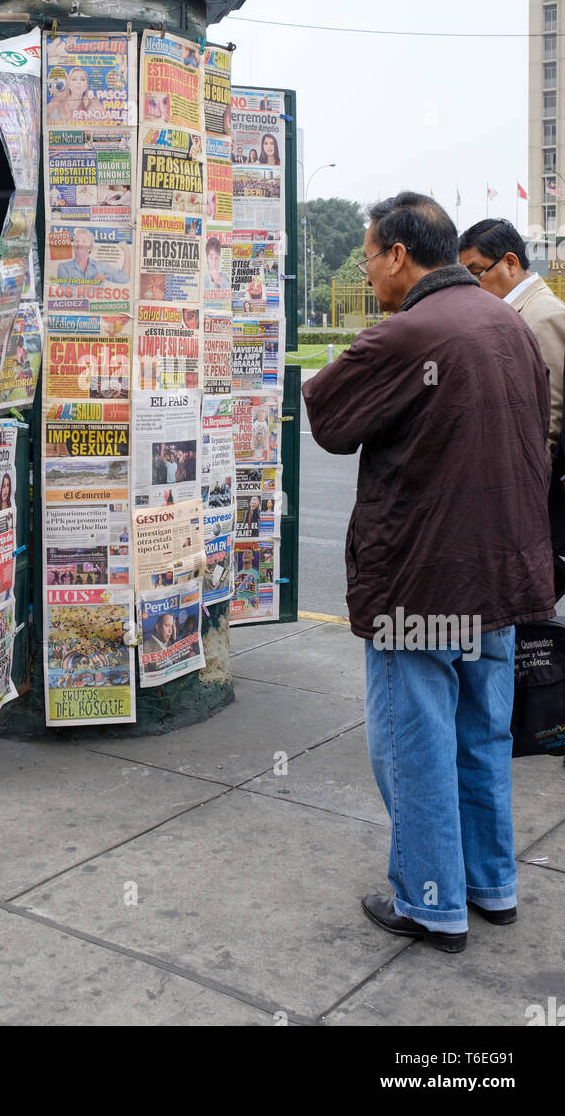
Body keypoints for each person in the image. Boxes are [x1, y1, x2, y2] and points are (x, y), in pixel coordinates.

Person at [303, 192, 555, 952]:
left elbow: (327, 417)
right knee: (481, 735)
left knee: (416, 741)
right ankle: (491, 884)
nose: (368, 269)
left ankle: (432, 901)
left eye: (370, 255)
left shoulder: (407, 331)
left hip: (423, 583)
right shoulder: (507, 323)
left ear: (399, 258)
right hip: (504, 578)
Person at [459, 218, 565, 599]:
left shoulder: (543, 315)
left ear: (509, 263)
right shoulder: (512, 311)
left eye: (476, 273)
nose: (473, 285)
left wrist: (524, 497)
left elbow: (548, 421)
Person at [56, 227, 131, 284]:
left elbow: (123, 278)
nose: (80, 244)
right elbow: (67, 291)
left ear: (90, 247)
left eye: (84, 241)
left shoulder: (101, 267)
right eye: (76, 241)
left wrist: (127, 253)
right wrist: (94, 282)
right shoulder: (63, 267)